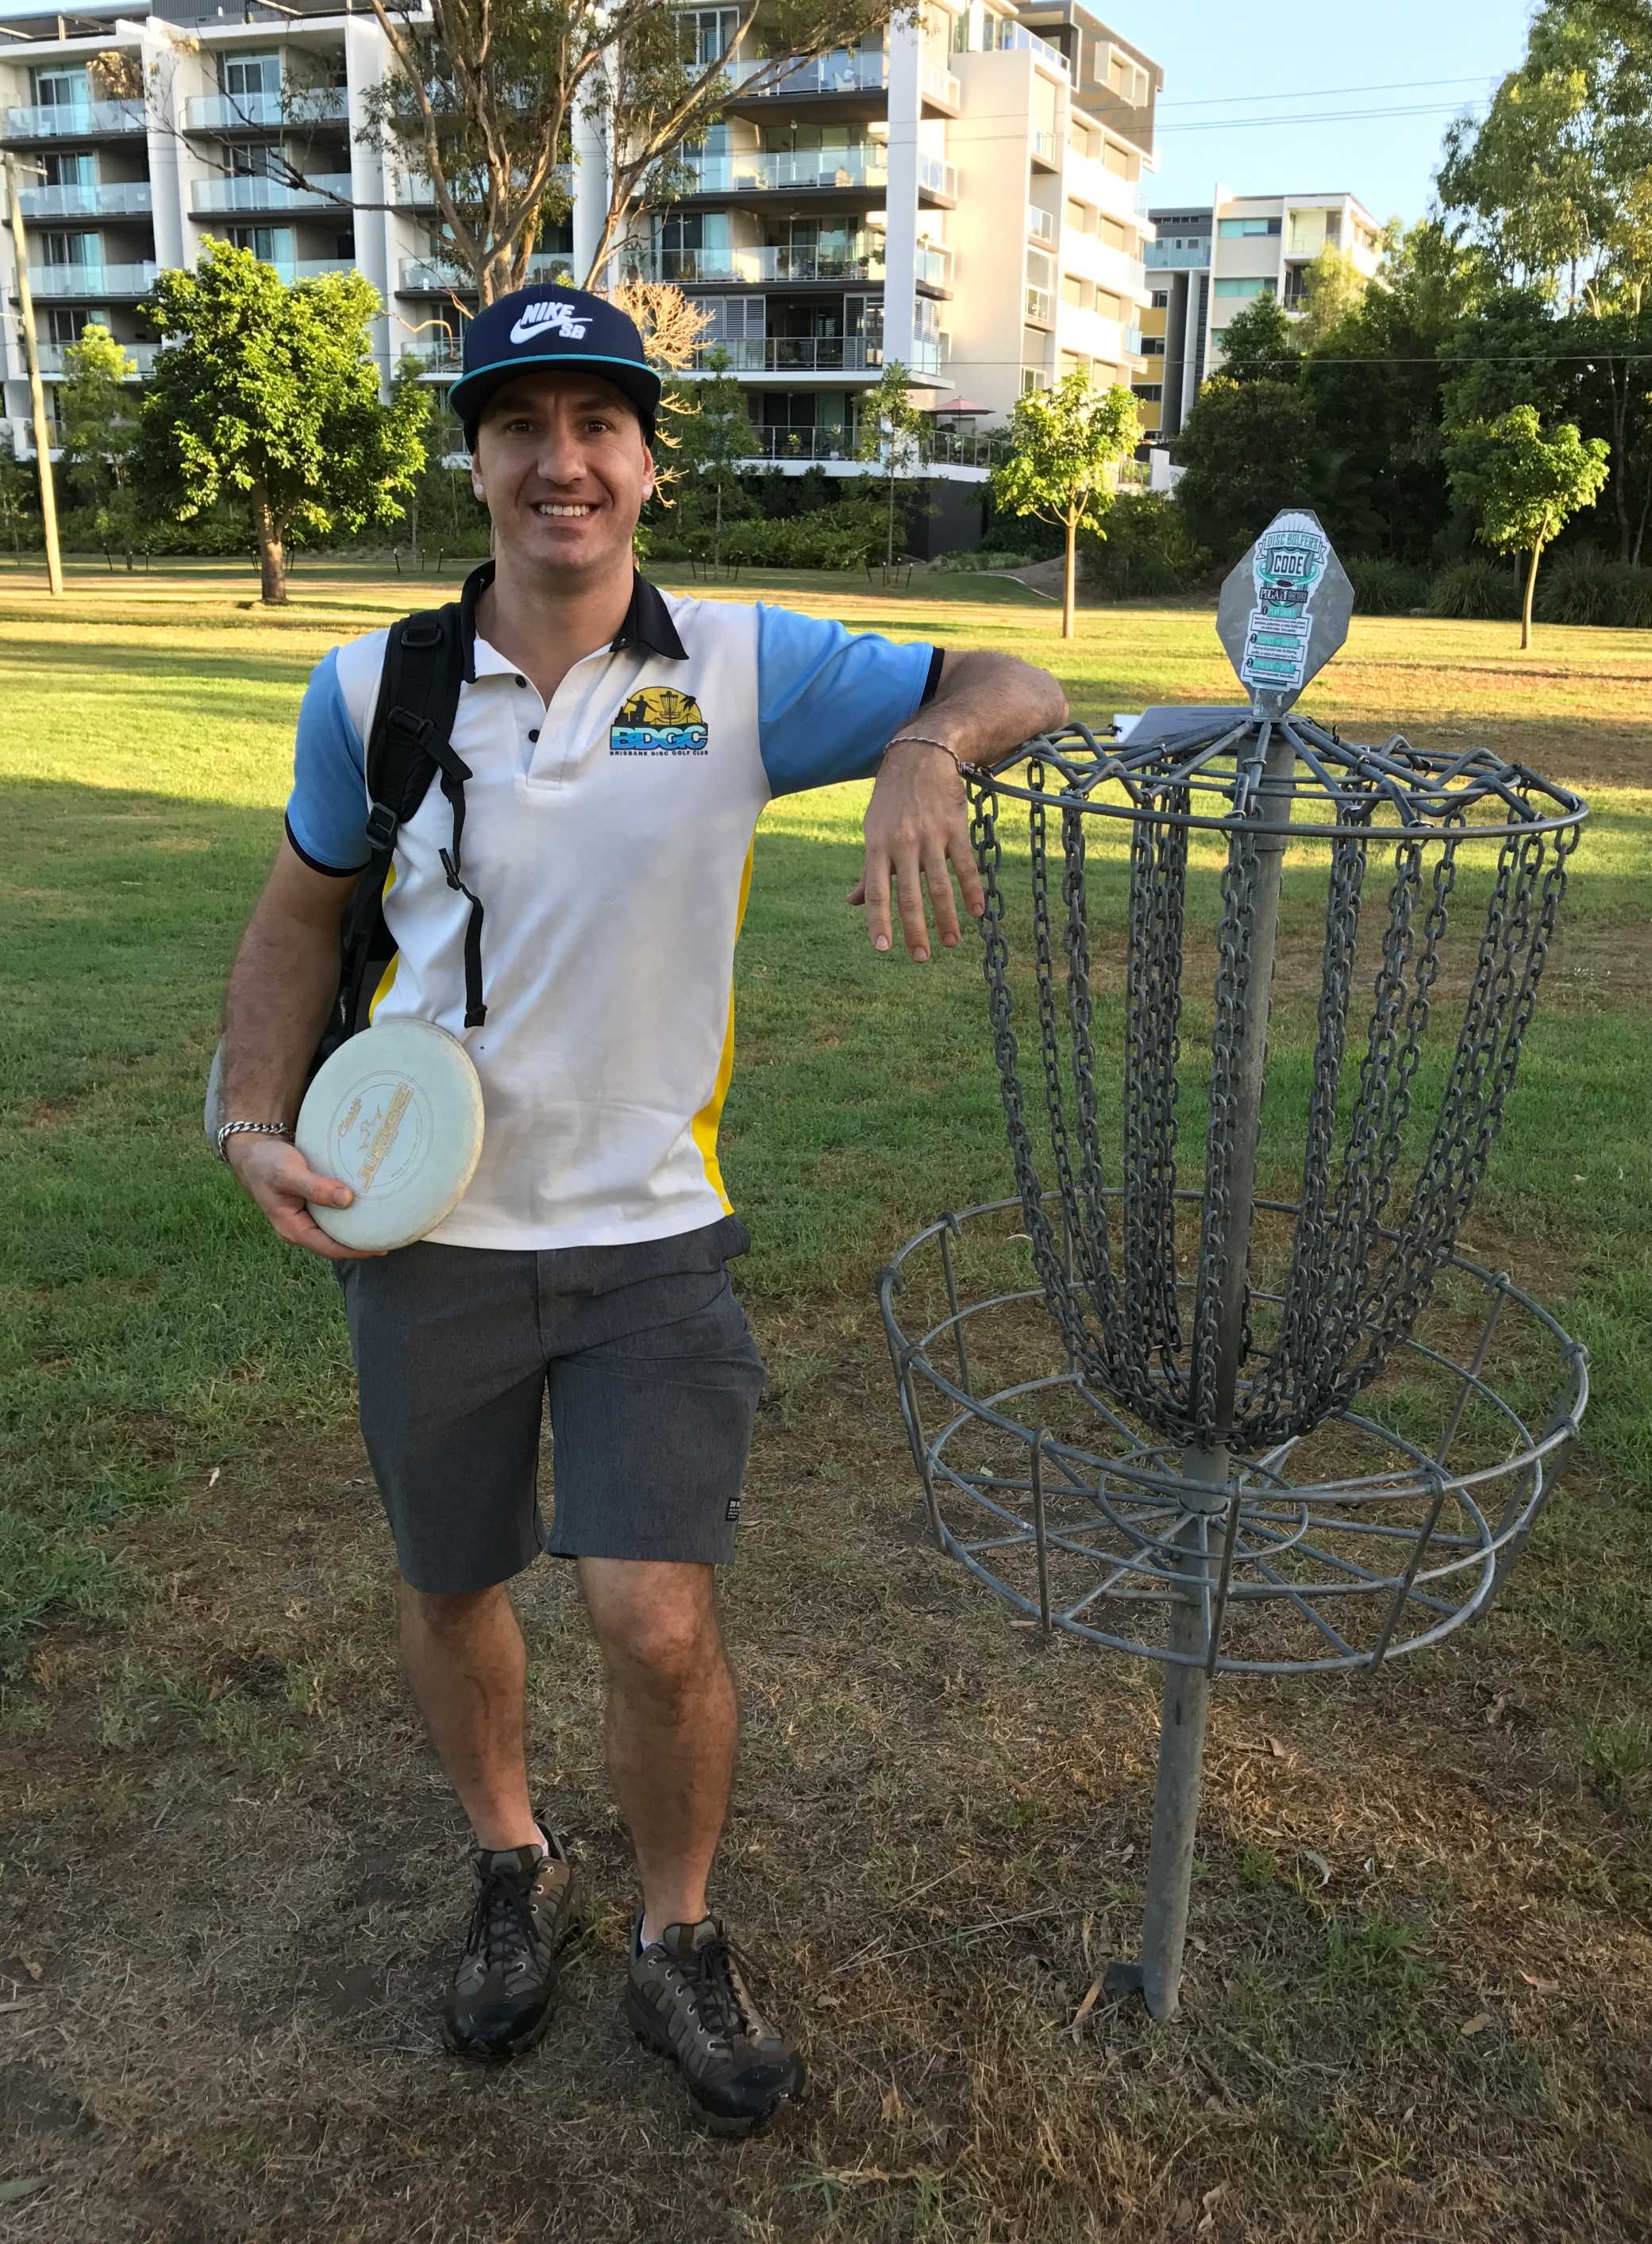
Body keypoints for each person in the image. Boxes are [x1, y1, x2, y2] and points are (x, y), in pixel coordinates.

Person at [214, 287, 1067, 2138]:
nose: (561, 460)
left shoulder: (751, 666)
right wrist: (246, 1118)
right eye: (521, 425)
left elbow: (1014, 683)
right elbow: (298, 918)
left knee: (655, 1615)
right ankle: (515, 1862)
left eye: (599, 422)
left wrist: (925, 753)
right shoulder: (375, 685)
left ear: (650, 462)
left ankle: (681, 1930)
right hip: (418, 1226)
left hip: (653, 1241)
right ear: (477, 460)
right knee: (452, 1588)